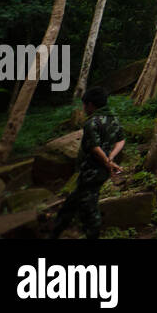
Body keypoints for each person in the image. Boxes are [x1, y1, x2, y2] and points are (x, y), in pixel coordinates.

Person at [48, 86, 125, 240]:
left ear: (90, 105)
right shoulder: (113, 119)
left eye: (84, 105)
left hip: (92, 171)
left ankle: (91, 234)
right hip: (99, 171)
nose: (83, 109)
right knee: (71, 203)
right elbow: (121, 140)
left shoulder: (92, 123)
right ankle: (55, 231)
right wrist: (111, 158)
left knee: (88, 209)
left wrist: (107, 162)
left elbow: (94, 147)